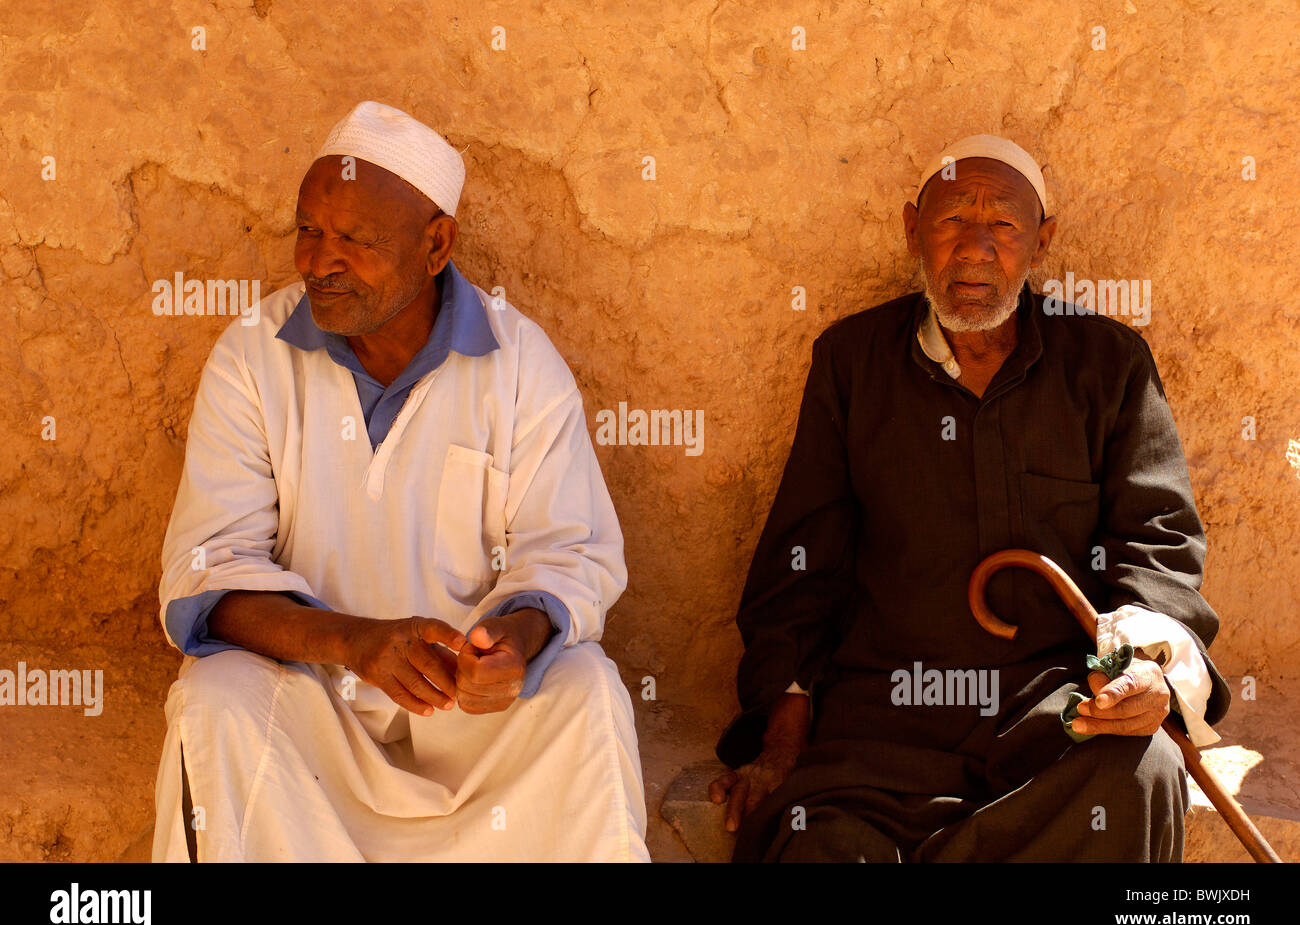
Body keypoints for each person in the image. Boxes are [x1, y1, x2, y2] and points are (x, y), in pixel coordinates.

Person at [710, 134, 1228, 862]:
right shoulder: (852, 363)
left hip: (1051, 710)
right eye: (953, 219)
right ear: (912, 230)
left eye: (1005, 225)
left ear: (1042, 242)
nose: (976, 247)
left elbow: (1158, 548)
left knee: (1139, 772)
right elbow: (801, 571)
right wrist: (782, 737)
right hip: (884, 723)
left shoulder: (1107, 363)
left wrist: (1146, 671)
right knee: (813, 838)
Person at [153, 101, 648, 862]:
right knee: (214, 699)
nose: (319, 261)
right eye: (309, 230)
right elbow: (206, 572)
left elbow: (571, 553)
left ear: (437, 244)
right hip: (317, 708)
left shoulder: (520, 365)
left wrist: (513, 642)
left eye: (354, 239)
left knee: (586, 691)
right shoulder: (252, 357)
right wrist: (354, 643)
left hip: (472, 723)